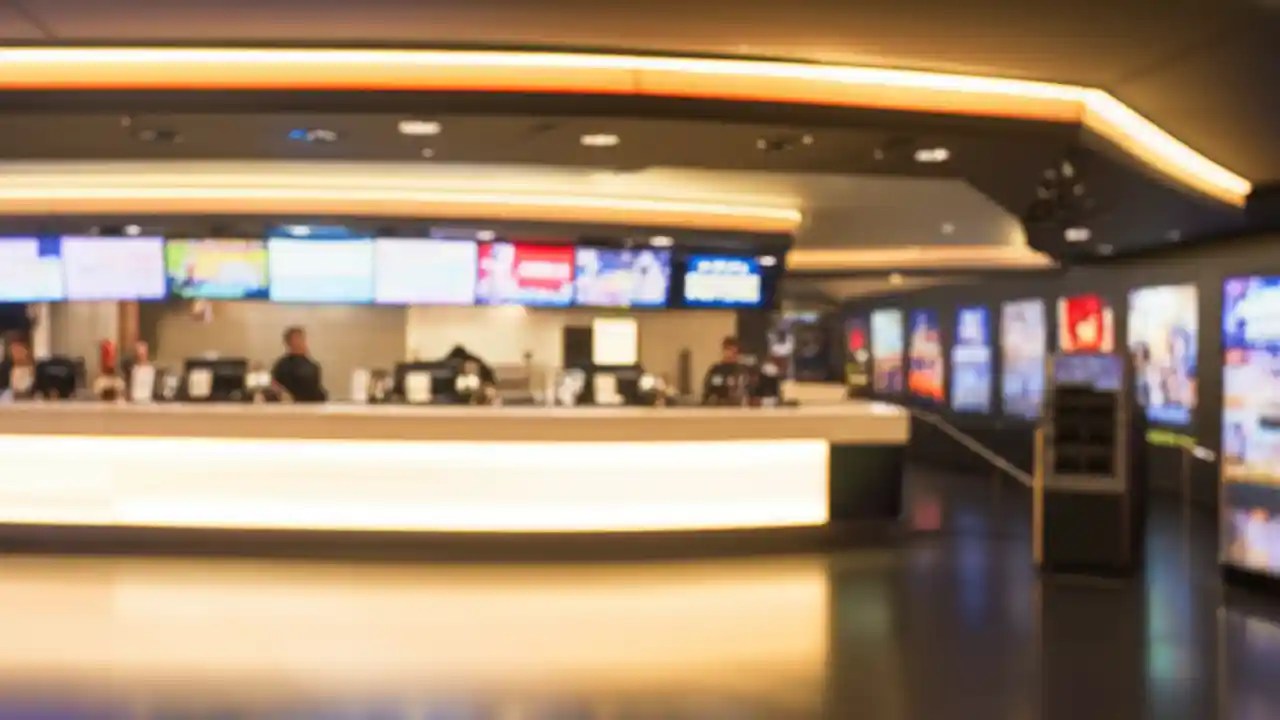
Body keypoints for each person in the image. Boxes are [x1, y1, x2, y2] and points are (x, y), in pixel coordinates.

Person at [271, 326, 328, 403]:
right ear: (289, 342)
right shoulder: (282, 366)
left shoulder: (313, 365)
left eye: (302, 338)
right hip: (293, 408)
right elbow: (276, 387)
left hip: (314, 407)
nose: (302, 342)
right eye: (298, 338)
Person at [702, 336, 751, 405]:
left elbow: (747, 391)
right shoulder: (715, 370)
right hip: (718, 409)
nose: (731, 353)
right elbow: (709, 390)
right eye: (729, 349)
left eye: (735, 351)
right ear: (724, 350)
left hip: (738, 409)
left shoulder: (742, 371)